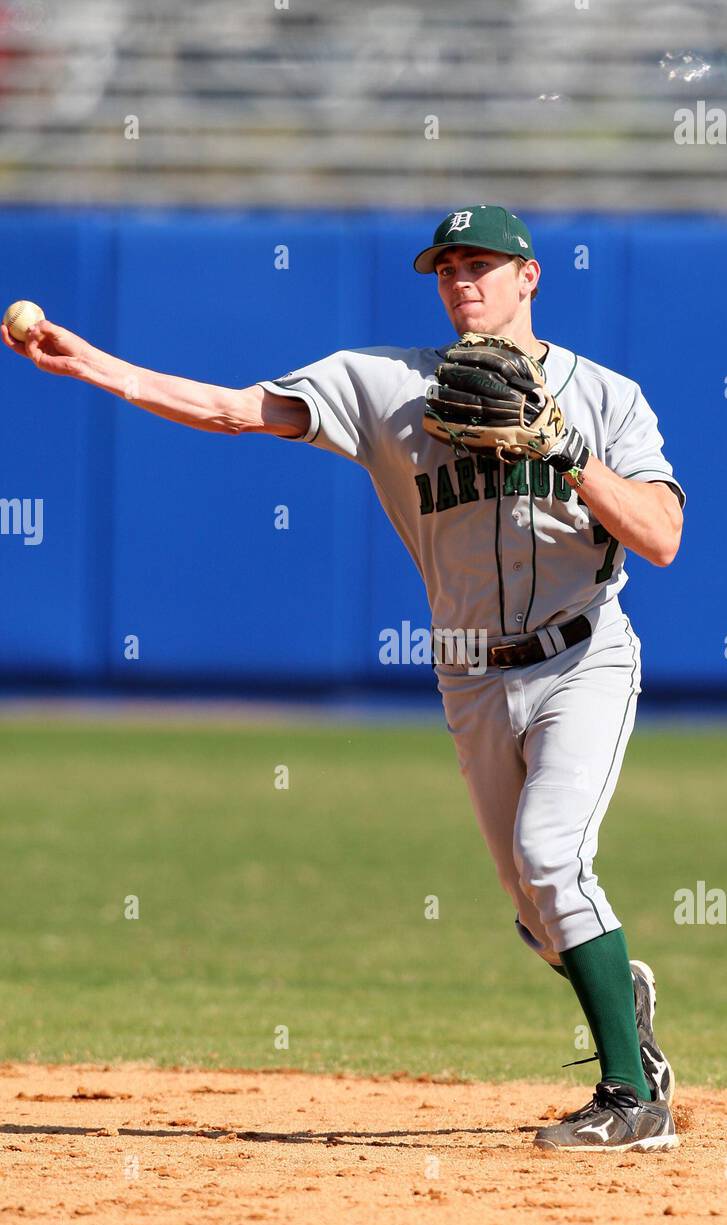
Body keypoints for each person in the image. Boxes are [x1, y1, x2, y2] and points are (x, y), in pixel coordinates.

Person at [2, 204, 685, 1152]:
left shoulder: (608, 395)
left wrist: (568, 452)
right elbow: (236, 410)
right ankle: (627, 1007)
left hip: (583, 658)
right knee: (534, 907)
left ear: (532, 276)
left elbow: (659, 537)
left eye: (482, 264)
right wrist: (94, 365)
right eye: (446, 269)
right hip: (469, 674)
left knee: (551, 858)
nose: (462, 283)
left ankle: (632, 1102)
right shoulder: (381, 384)